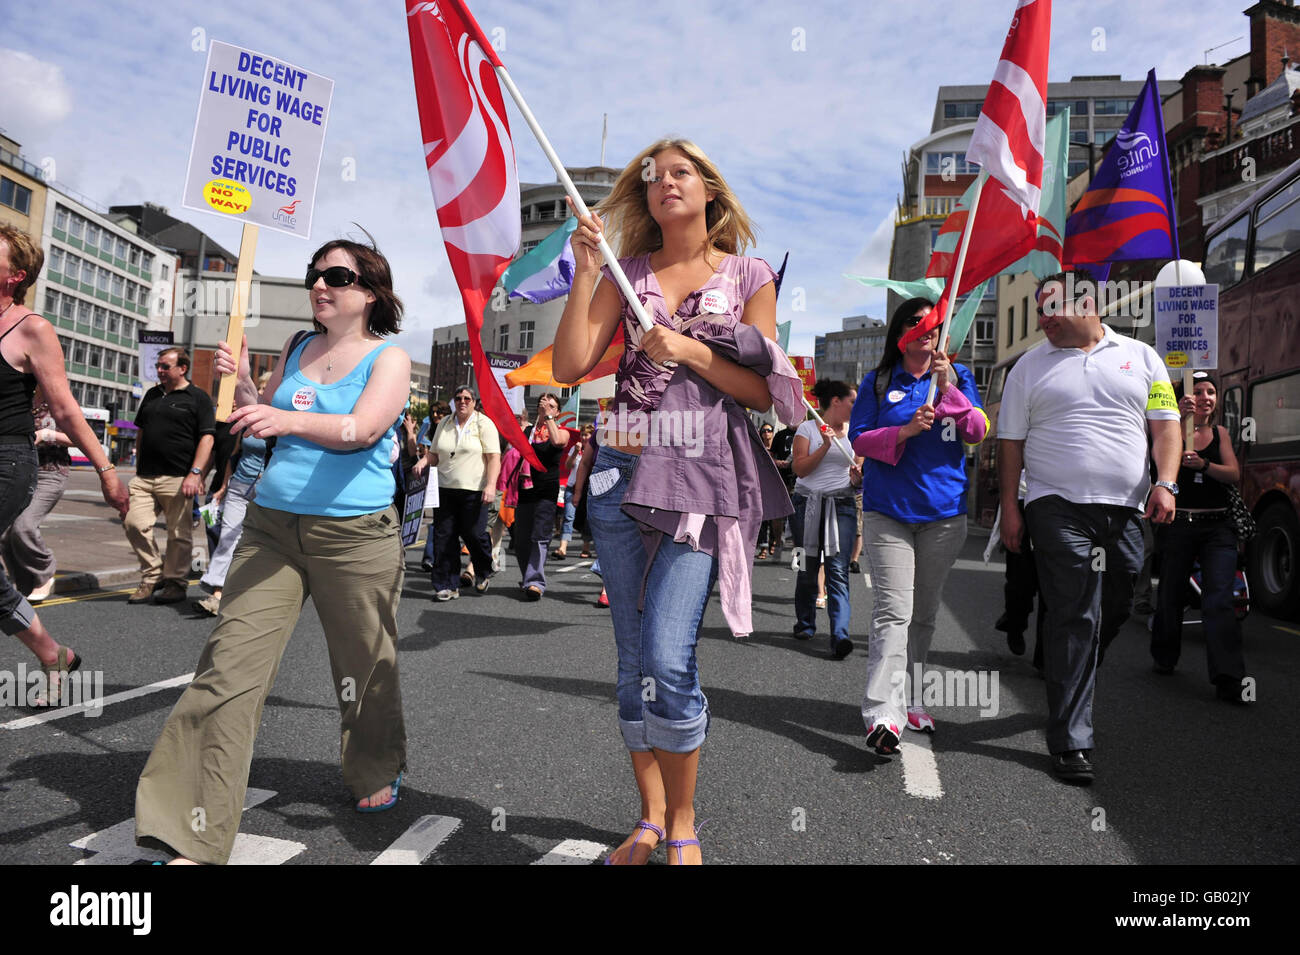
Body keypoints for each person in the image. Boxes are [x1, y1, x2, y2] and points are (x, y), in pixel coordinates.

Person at [555, 138, 798, 865]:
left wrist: (690, 350)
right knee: (633, 663)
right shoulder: (627, 271)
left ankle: (685, 819)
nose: (664, 183)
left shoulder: (750, 274)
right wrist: (588, 273)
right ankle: (649, 817)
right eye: (653, 176)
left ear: (711, 193)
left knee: (668, 651)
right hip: (619, 471)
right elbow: (571, 365)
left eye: (680, 172)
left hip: (696, 480)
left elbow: (765, 391)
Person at [135, 235, 413, 864]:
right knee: (227, 670)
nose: (320, 285)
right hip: (271, 528)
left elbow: (361, 429)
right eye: (315, 274)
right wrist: (250, 397)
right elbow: (272, 419)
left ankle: (373, 765)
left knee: (363, 669)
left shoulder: (388, 358)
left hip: (355, 535)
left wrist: (285, 420)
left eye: (337, 276)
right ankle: (190, 828)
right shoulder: (296, 346)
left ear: (370, 291)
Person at [998, 270, 1180, 785]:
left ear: (1088, 304)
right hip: (1056, 507)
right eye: (1038, 309)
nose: (1043, 319)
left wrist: (1166, 484)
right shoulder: (1028, 368)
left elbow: (1166, 427)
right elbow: (1009, 442)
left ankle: (1070, 668)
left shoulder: (1143, 358)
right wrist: (1012, 509)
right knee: (1076, 613)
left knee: (1118, 601)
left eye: (1051, 307)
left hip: (1126, 510)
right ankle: (1072, 741)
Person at [849, 297, 988, 753]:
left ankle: (912, 699)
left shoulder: (959, 376)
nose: (927, 328)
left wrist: (950, 391)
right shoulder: (878, 381)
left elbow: (977, 430)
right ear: (900, 332)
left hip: (944, 516)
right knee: (894, 611)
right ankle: (883, 715)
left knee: (924, 616)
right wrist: (904, 431)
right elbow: (860, 439)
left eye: (935, 322)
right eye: (916, 321)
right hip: (888, 513)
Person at [0, 225, 128, 705]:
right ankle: (53, 655)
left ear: (17, 275)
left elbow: (68, 409)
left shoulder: (31, 328)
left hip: (8, 460)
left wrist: (107, 472)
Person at [1150, 372, 1251, 703]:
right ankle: (1165, 655)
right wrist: (1179, 424)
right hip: (1179, 526)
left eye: (1211, 391)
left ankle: (1229, 678)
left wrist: (1205, 465)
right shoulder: (1173, 431)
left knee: (1219, 598)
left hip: (1217, 529)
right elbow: (1159, 467)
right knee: (1170, 595)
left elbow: (1234, 474)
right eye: (1198, 391)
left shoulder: (1220, 433)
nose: (1206, 396)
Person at [123, 346, 215, 605]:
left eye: (165, 366)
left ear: (182, 368)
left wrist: (196, 473)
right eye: (158, 366)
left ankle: (175, 583)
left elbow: (207, 437)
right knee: (133, 524)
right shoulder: (153, 394)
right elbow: (141, 431)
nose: (159, 371)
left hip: (178, 477)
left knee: (179, 534)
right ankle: (152, 575)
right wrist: (138, 465)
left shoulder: (198, 398)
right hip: (145, 477)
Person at [790, 380, 862, 659]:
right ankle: (805, 623)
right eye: (852, 401)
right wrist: (825, 446)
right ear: (836, 401)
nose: (855, 407)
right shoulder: (808, 429)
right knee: (807, 567)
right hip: (806, 503)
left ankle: (839, 634)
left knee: (837, 570)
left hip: (841, 504)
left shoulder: (856, 434)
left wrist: (857, 480)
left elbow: (858, 475)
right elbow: (800, 469)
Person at [191, 374, 272, 618]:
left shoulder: (281, 420)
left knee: (261, 544)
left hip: (268, 491)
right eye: (260, 387)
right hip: (240, 485)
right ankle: (217, 594)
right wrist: (224, 485)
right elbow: (235, 454)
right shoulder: (248, 420)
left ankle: (253, 594)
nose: (262, 392)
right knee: (228, 537)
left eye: (267, 388)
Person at [423, 386, 499, 600]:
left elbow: (494, 458)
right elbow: (434, 454)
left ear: (474, 402)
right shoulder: (445, 424)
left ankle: (484, 569)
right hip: (445, 489)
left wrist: (491, 485)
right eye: (458, 398)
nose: (462, 402)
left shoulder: (484, 424)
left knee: (474, 534)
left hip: (474, 490)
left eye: (467, 398)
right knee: (444, 537)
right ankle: (447, 585)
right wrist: (423, 461)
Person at [2, 389, 71, 604]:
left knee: (24, 526)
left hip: (49, 473)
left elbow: (80, 436)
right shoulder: (16, 399)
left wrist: (47, 435)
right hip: (17, 470)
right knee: (4, 532)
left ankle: (44, 572)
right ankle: (21, 584)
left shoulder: (59, 402)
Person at [513, 392, 567, 599]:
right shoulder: (528, 431)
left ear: (558, 411)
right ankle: (528, 576)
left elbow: (557, 442)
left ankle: (535, 581)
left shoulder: (562, 432)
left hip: (547, 490)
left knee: (540, 536)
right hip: (525, 488)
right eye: (543, 405)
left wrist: (549, 417)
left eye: (551, 406)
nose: (546, 407)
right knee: (521, 539)